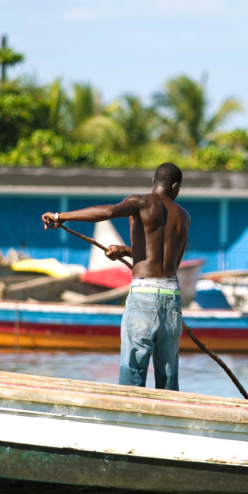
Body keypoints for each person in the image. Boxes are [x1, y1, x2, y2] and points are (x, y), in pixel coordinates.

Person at [42, 162, 190, 391]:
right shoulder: (183, 217)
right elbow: (170, 262)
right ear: (175, 186)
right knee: (168, 380)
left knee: (132, 376)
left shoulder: (140, 202)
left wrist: (62, 216)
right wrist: (126, 251)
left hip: (143, 298)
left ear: (153, 182)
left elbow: (108, 211)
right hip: (172, 298)